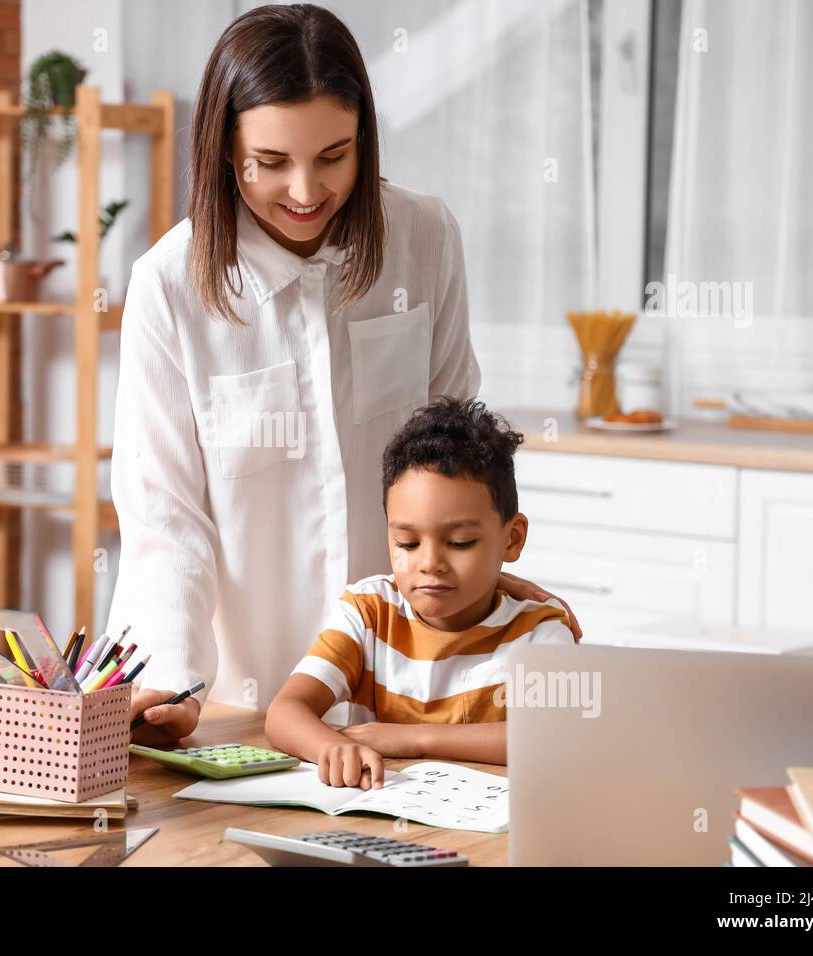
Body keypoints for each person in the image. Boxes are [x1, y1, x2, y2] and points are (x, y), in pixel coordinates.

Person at [107, 4, 581, 745]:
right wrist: (173, 677)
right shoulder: (169, 286)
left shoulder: (424, 239)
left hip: (409, 701)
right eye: (270, 163)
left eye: (333, 156)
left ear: (364, 140)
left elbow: (458, 451)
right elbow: (165, 519)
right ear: (225, 151)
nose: (305, 191)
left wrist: (481, 570)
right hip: (245, 706)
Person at [265, 398, 578, 787]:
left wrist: (412, 738)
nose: (430, 563)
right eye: (408, 543)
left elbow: (555, 738)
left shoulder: (540, 631)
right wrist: (331, 747)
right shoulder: (369, 613)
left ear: (511, 539)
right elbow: (285, 711)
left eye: (461, 542)